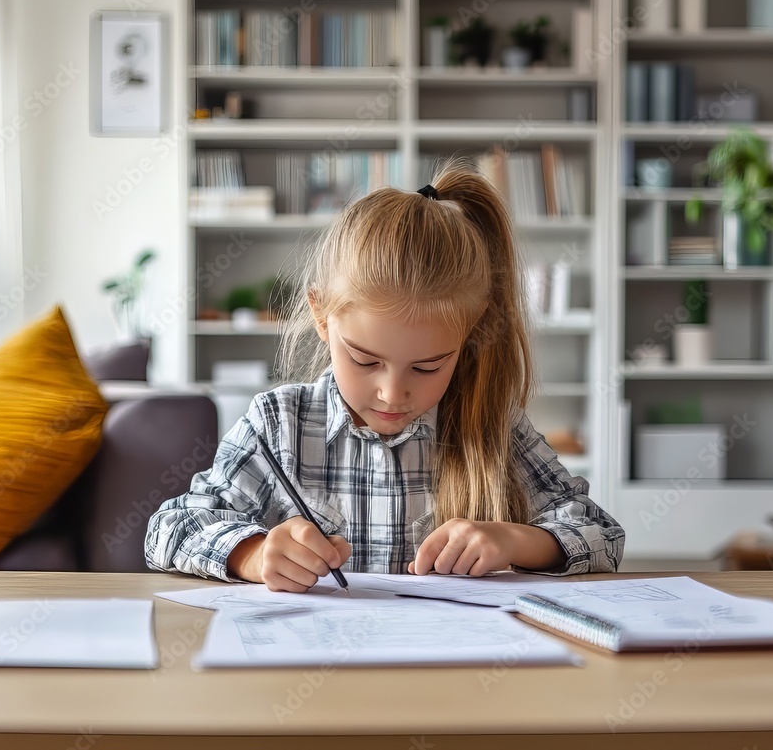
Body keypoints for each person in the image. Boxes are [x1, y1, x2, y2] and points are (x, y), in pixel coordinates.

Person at [145, 161, 625, 591]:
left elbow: (602, 535)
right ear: (320, 316)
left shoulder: (491, 424)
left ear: (471, 334)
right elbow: (170, 528)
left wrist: (515, 540)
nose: (393, 392)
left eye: (428, 366)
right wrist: (252, 554)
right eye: (365, 359)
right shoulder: (279, 423)